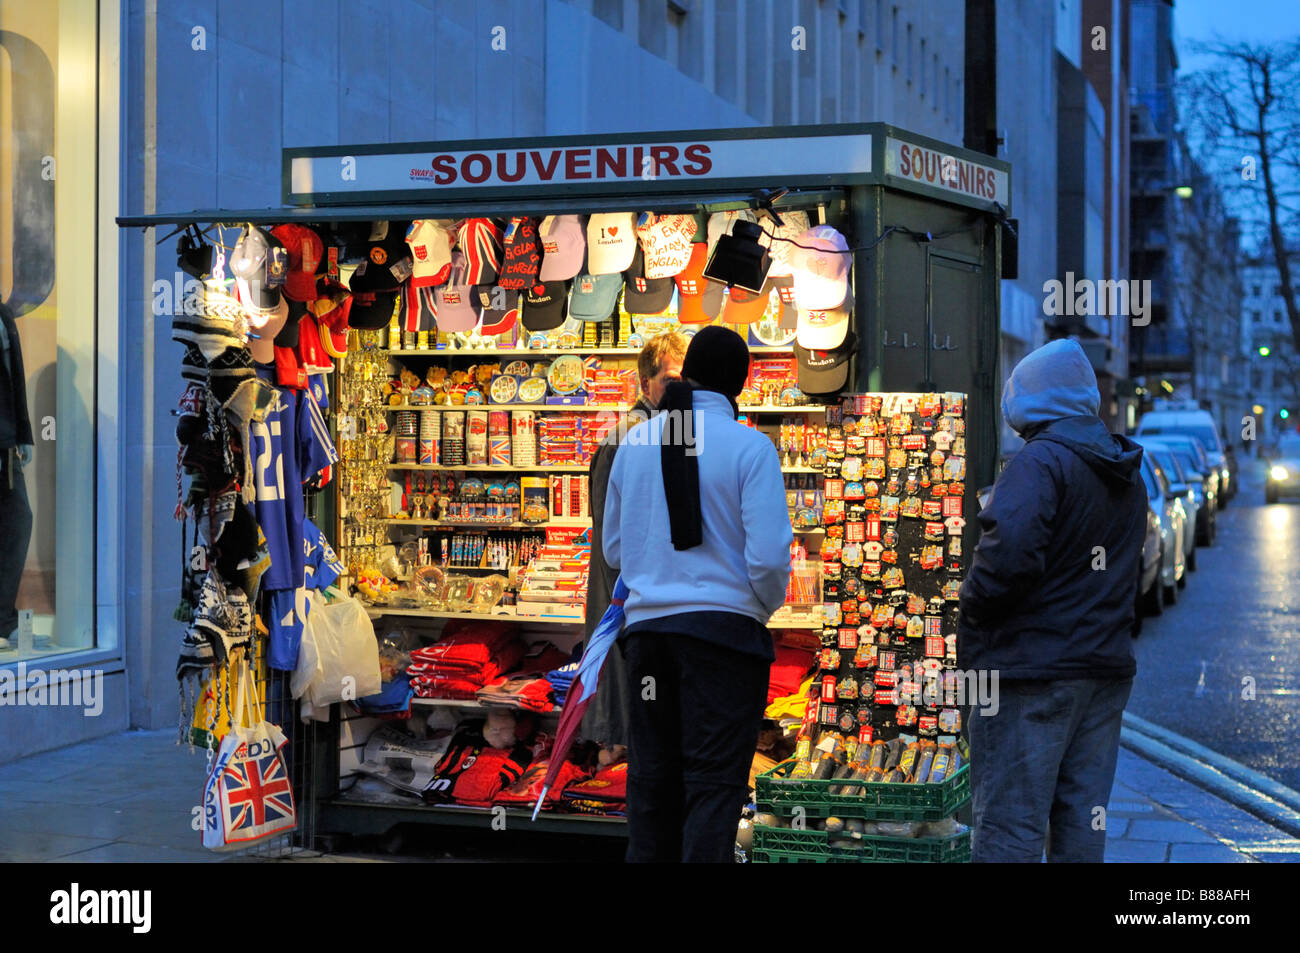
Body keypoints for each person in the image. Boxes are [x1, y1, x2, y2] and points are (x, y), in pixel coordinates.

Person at [603, 326, 792, 863]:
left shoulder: (634, 442)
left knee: (652, 782)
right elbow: (770, 560)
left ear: (690, 376)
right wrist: (756, 606)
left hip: (648, 644)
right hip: (722, 644)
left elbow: (614, 551)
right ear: (742, 383)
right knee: (712, 787)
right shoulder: (751, 447)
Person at [958, 338, 1145, 863]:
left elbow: (1005, 561)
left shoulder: (1039, 463)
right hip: (1103, 670)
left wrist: (971, 612)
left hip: (1031, 672)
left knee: (1007, 828)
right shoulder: (1123, 469)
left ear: (1032, 399)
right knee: (1082, 822)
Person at [581, 331, 687, 751]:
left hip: (643, 597)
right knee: (626, 723)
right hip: (625, 598)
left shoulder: (665, 429)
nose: (681, 389)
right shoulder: (627, 436)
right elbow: (614, 537)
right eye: (671, 380)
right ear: (646, 384)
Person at [0, 300, 34, 651]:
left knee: (18, 521)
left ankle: (4, 618)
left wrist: (22, 433)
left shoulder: (3, 314)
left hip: (5, 440)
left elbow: (16, 376)